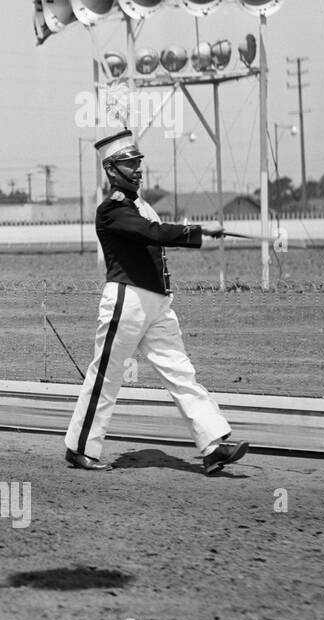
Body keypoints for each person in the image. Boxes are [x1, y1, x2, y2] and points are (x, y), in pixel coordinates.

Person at [64, 129, 248, 474]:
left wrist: (196, 231)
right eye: (130, 164)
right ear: (111, 170)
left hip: (157, 304)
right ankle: (79, 447)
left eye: (138, 162)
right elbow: (153, 232)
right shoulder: (112, 210)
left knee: (181, 372)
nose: (138, 169)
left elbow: (156, 230)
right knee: (106, 374)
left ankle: (212, 446)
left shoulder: (138, 205)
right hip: (127, 299)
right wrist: (197, 232)